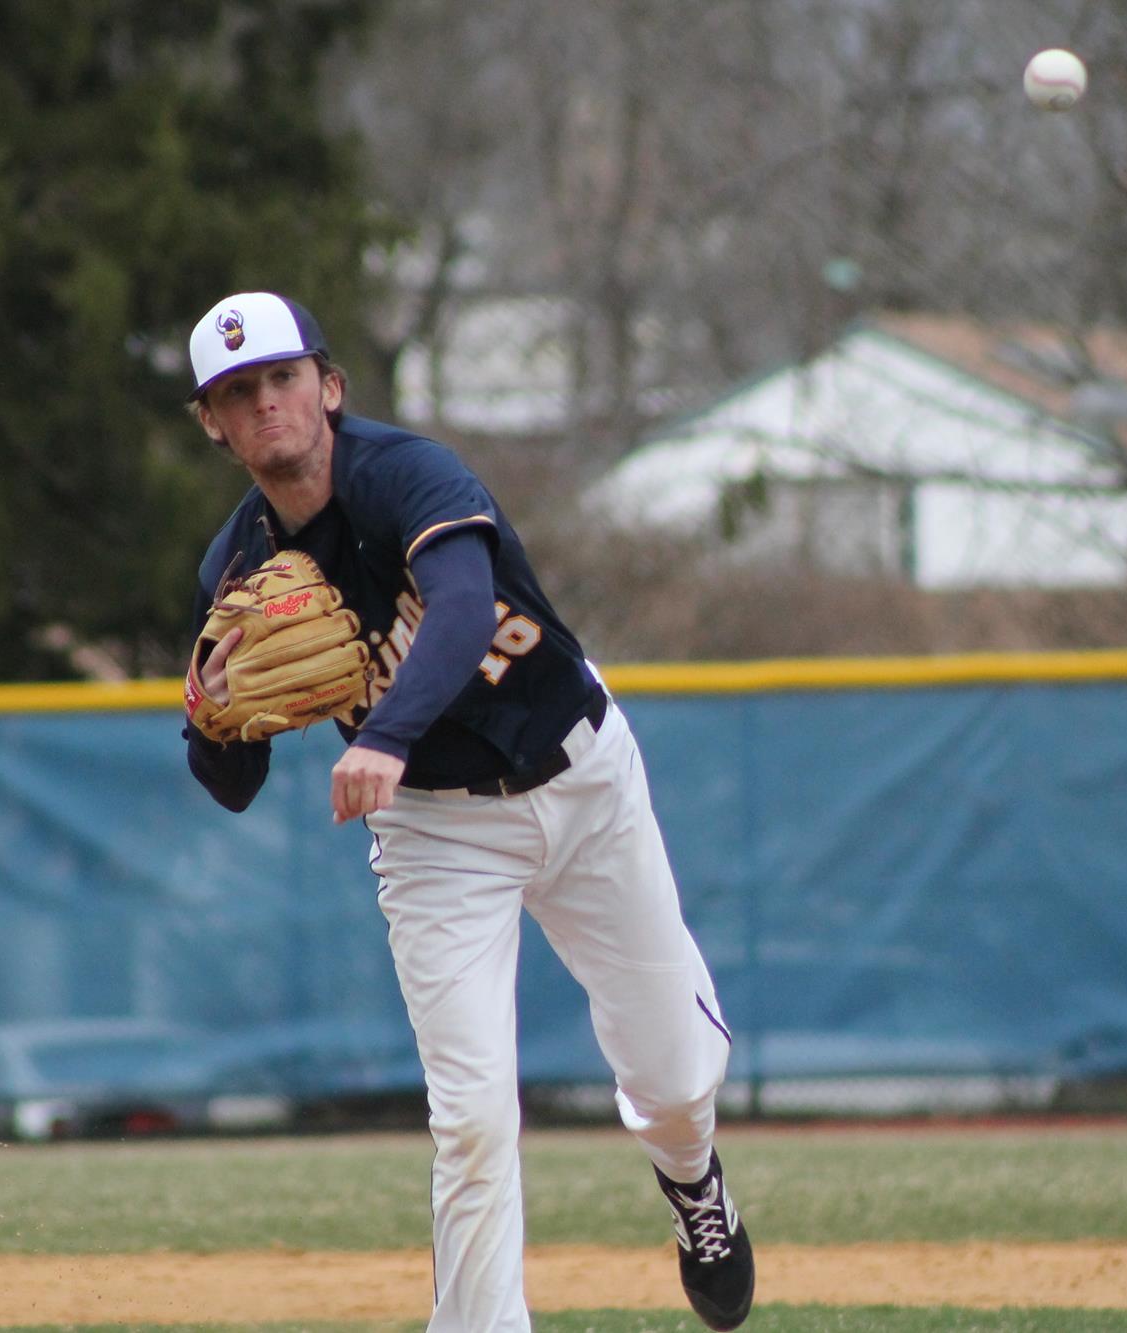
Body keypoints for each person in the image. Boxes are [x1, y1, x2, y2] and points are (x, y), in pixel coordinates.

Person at [179, 292, 753, 1331]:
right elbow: (234, 784)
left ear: (328, 385)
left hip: (579, 775)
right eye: (235, 392)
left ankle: (693, 1184)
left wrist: (383, 735)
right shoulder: (235, 572)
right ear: (210, 423)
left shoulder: (407, 473)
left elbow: (456, 604)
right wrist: (213, 724)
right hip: (438, 832)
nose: (264, 402)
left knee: (670, 1078)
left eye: (279, 376)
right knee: (473, 1117)